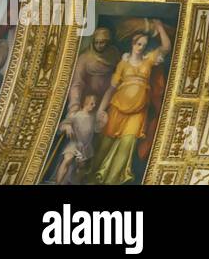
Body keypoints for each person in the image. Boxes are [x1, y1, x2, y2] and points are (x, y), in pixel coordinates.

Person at [89, 19, 171, 185]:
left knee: (127, 146)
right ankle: (91, 178)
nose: (141, 47)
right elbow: (111, 90)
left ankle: (111, 182)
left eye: (144, 44)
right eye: (138, 44)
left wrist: (161, 28)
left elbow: (166, 48)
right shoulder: (122, 64)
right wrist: (100, 111)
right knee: (104, 145)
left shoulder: (148, 61)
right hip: (117, 109)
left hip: (138, 112)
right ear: (132, 45)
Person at [53, 94, 99, 184]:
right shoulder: (76, 115)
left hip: (85, 147)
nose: (94, 106)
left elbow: (97, 129)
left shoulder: (93, 118)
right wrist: (67, 126)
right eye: (92, 104)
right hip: (74, 144)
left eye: (95, 104)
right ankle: (57, 183)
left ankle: (72, 182)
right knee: (67, 159)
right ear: (86, 103)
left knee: (80, 168)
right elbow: (61, 126)